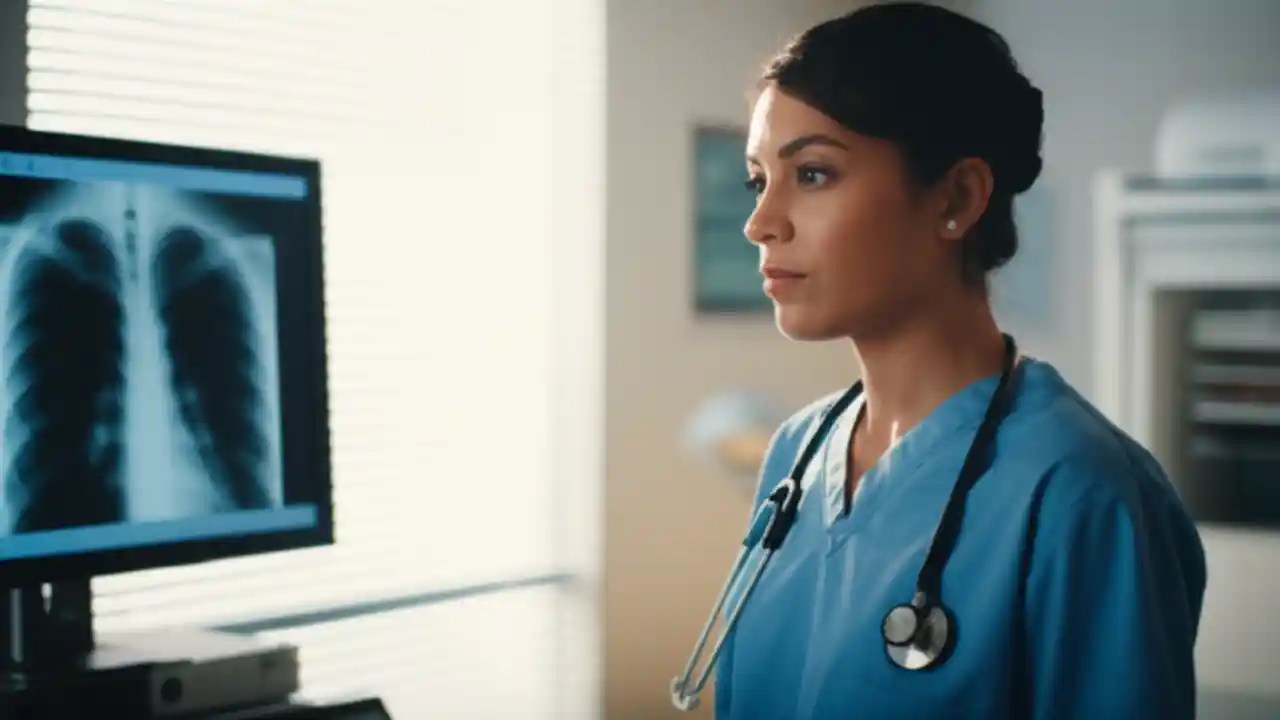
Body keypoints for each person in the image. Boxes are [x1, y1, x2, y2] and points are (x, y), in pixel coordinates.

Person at [709, 3, 1207, 718]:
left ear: (958, 197)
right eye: (761, 179)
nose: (761, 222)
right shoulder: (796, 451)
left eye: (813, 174)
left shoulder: (1081, 492)